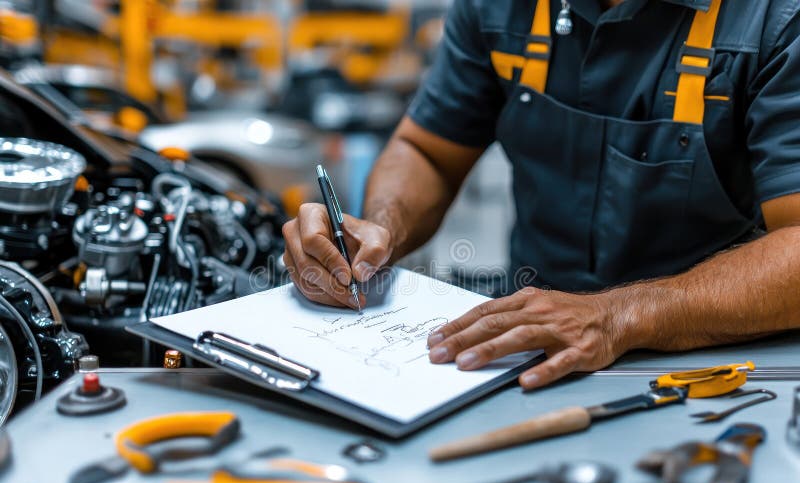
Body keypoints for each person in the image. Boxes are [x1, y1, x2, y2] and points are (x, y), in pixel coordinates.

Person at [282, 0, 800, 390]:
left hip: (707, 360)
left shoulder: (775, 19)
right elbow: (427, 151)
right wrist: (377, 228)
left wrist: (620, 315)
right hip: (527, 341)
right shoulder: (500, 9)